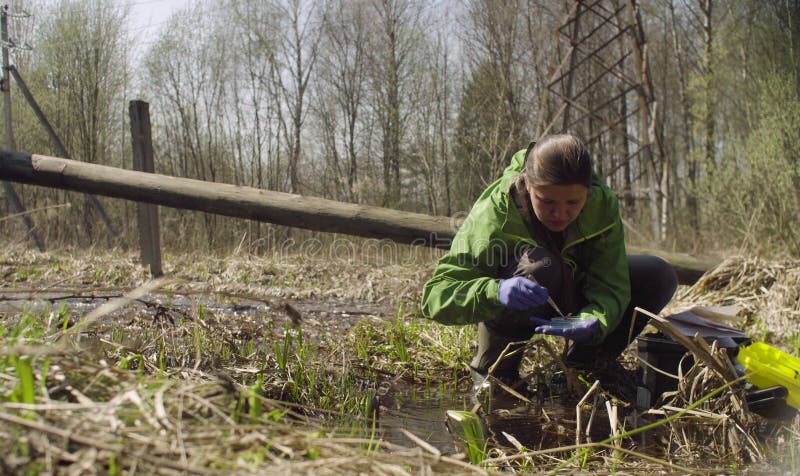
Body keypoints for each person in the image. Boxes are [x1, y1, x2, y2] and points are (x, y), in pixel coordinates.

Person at [421, 134, 678, 387]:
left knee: (657, 274)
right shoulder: (496, 212)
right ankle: (499, 373)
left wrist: (596, 319)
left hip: (573, 291)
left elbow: (611, 285)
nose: (559, 213)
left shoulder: (602, 205)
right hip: (523, 295)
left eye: (573, 202)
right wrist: (495, 291)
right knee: (540, 265)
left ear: (588, 191)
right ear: (527, 184)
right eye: (547, 201)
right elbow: (436, 296)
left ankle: (584, 368)